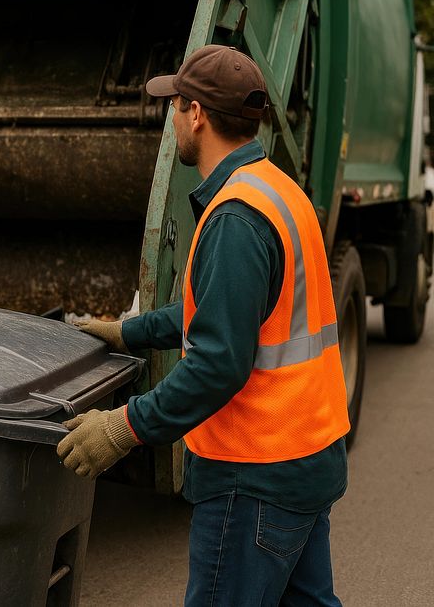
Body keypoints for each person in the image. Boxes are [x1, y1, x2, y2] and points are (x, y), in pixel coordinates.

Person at [57, 45, 349, 606]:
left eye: (175, 105)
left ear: (197, 115)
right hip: (308, 454)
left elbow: (219, 362)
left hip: (255, 475)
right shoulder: (278, 189)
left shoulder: (235, 217)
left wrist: (124, 427)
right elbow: (231, 315)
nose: (171, 119)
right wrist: (130, 332)